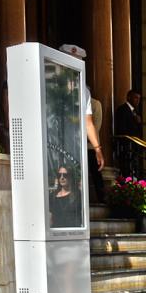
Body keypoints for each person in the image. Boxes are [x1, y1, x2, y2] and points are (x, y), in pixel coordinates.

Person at [60, 44, 104, 199]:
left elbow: (88, 122)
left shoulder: (84, 91)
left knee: (75, 187)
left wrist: (97, 149)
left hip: (77, 147)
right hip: (55, 145)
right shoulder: (52, 84)